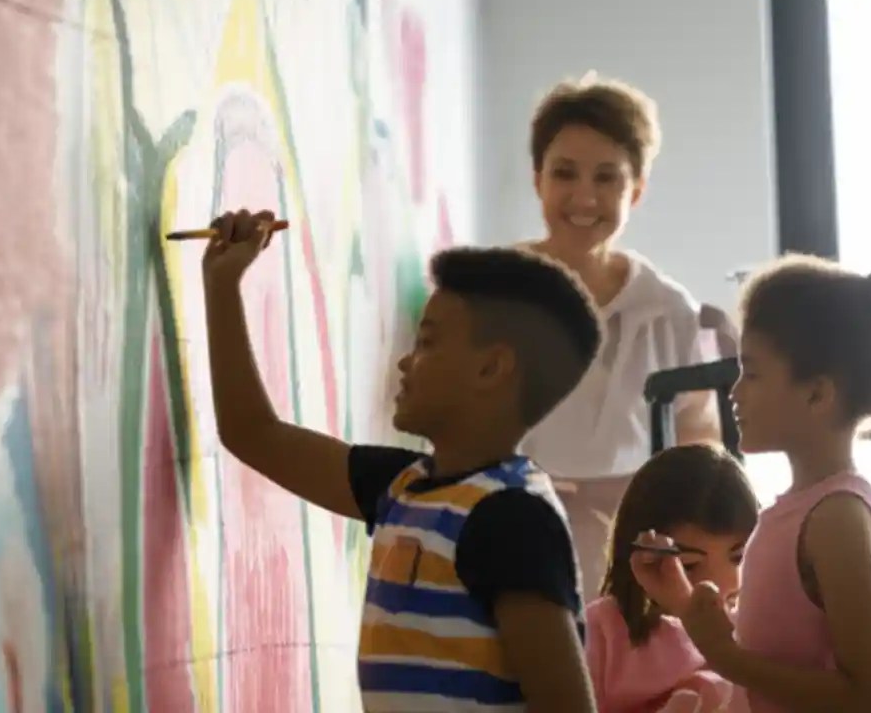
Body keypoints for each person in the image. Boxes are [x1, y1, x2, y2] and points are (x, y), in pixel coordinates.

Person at [202, 209, 602, 711]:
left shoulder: (511, 518)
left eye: (428, 341)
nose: (406, 360)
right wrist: (222, 284)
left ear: (491, 367)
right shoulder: (404, 487)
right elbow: (253, 434)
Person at [634, 255, 871, 713]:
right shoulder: (797, 511)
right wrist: (686, 605)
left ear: (817, 394)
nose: (734, 391)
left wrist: (726, 658)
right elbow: (781, 653)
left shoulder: (837, 518)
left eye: (752, 373)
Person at [516, 73, 722, 595]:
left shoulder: (669, 310)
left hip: (633, 558)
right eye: (565, 173)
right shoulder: (496, 293)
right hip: (513, 543)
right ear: (538, 178)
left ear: (637, 189)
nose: (584, 196)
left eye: (607, 178)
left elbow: (698, 433)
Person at [587, 444, 756, 713]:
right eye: (690, 566)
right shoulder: (603, 629)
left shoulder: (755, 627)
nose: (720, 581)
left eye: (739, 557)